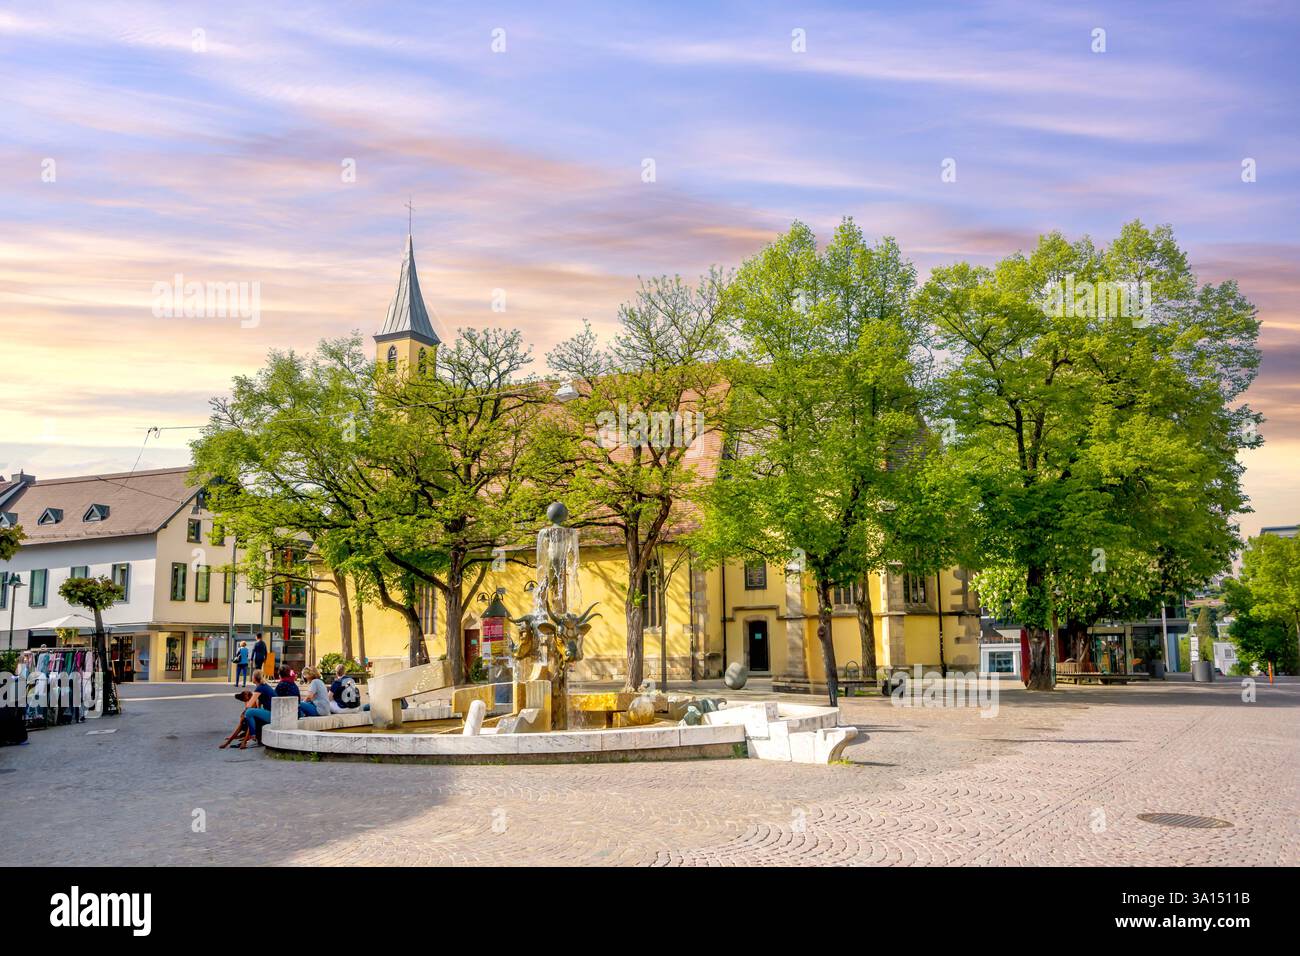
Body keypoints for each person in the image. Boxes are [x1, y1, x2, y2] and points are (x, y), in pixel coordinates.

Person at [234, 670, 276, 747]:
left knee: (249, 712)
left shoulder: (260, 688)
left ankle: (252, 734)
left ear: (255, 678)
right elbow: (258, 705)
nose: (252, 678)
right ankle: (252, 737)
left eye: (252, 676)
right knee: (253, 713)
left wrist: (246, 703)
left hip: (272, 714)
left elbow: (249, 705)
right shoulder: (264, 686)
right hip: (274, 713)